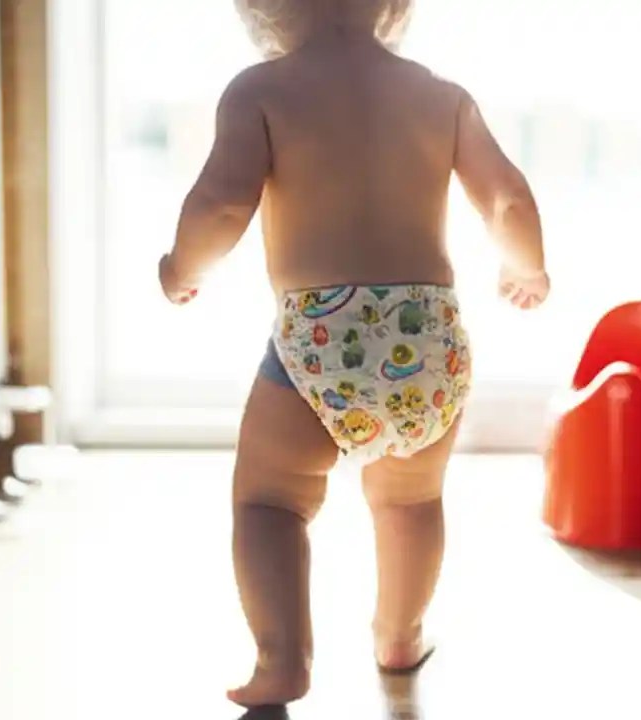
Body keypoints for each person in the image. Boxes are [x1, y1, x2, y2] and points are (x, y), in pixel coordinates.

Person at [156, 0, 549, 707]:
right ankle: (400, 636)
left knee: (270, 503)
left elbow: (221, 206)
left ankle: (283, 658)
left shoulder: (260, 92)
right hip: (428, 342)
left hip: (324, 338)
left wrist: (183, 266)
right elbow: (507, 202)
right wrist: (528, 268)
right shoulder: (443, 97)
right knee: (412, 500)